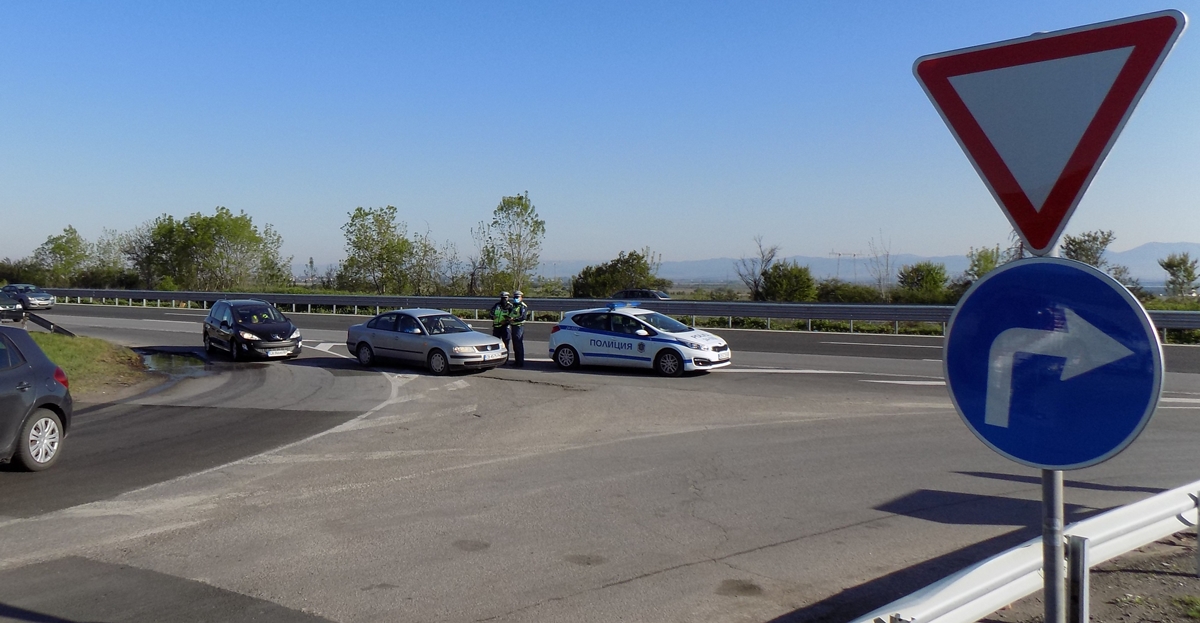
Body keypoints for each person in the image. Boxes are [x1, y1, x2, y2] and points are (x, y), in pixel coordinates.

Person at [508, 290, 530, 367]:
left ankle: (520, 362)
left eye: (517, 297)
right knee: (515, 345)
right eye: (514, 297)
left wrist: (513, 319)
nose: (515, 298)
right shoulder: (514, 305)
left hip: (519, 326)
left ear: (521, 297)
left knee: (518, 344)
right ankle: (516, 361)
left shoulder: (522, 306)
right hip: (513, 326)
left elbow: (523, 317)